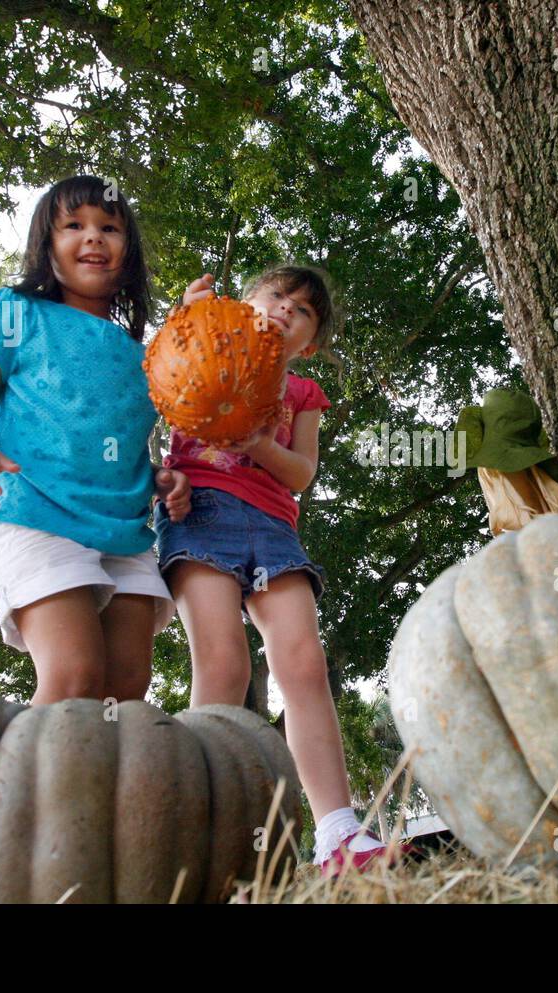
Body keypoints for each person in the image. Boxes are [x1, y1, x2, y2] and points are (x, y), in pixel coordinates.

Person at [159, 264, 413, 876]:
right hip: (201, 517)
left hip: (273, 529)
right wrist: (190, 313)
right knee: (224, 666)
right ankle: (203, 835)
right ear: (244, 304)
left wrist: (260, 448)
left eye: (301, 312)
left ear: (313, 343)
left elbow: (301, 473)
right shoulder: (209, 354)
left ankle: (338, 834)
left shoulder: (301, 395)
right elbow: (167, 366)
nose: (283, 310)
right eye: (274, 296)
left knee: (303, 664)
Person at [0, 175, 191, 705]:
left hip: (124, 531)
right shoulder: (16, 311)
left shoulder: (148, 359)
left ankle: (95, 791)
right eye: (73, 225)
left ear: (130, 251)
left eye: (110, 227)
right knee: (75, 674)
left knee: (125, 689)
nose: (93, 237)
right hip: (35, 512)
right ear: (46, 244)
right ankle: (20, 789)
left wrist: (160, 479)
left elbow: (118, 442)